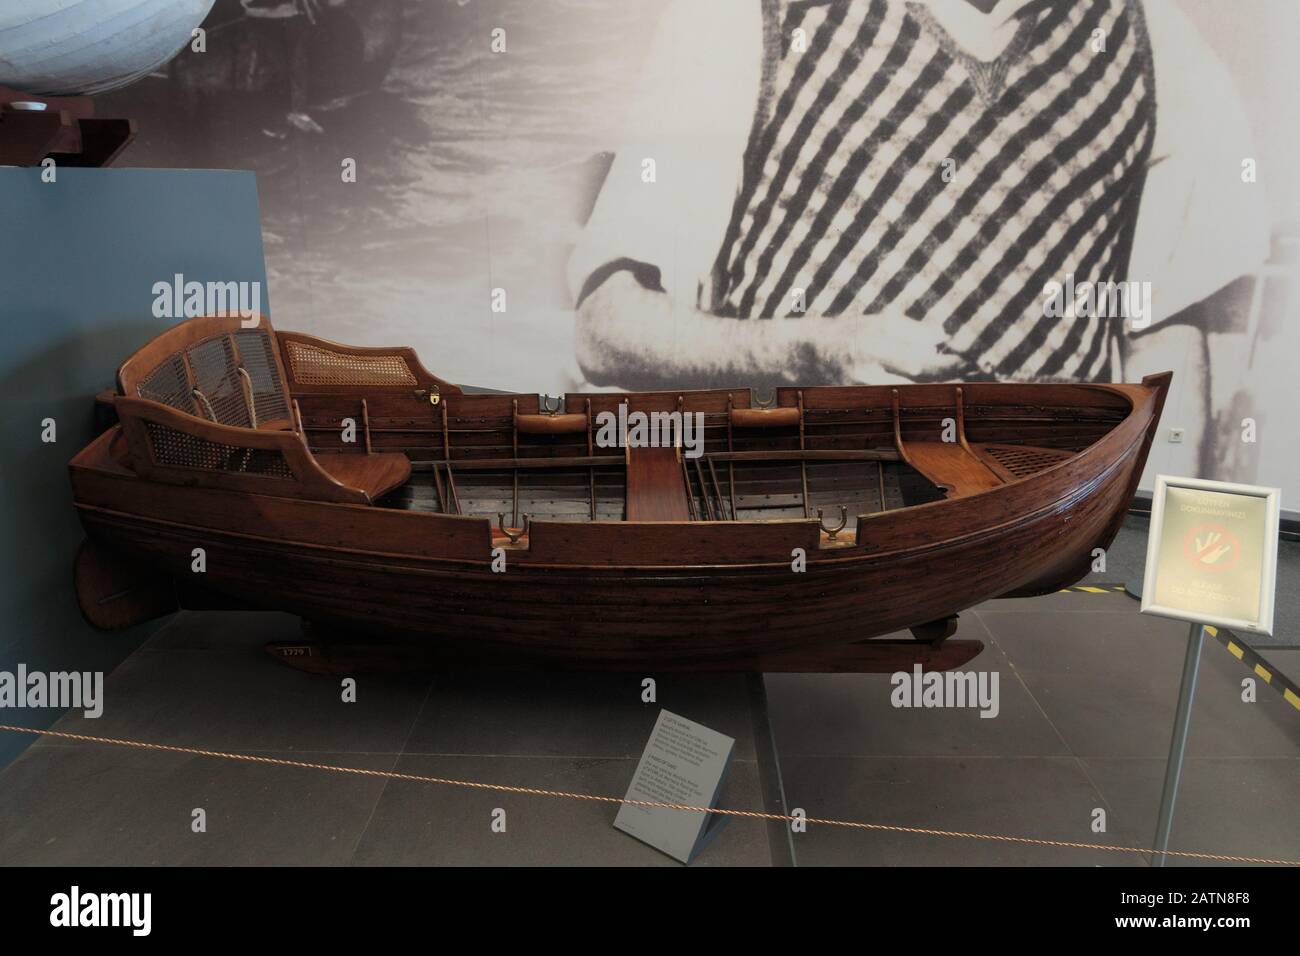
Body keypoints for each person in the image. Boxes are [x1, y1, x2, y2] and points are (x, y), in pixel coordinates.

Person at [568, 0, 1269, 470]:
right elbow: (608, 326)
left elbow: (1163, 336)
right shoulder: (745, 16)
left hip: (1032, 534)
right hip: (791, 498)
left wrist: (1141, 558)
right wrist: (803, 354)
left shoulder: (1156, 43)